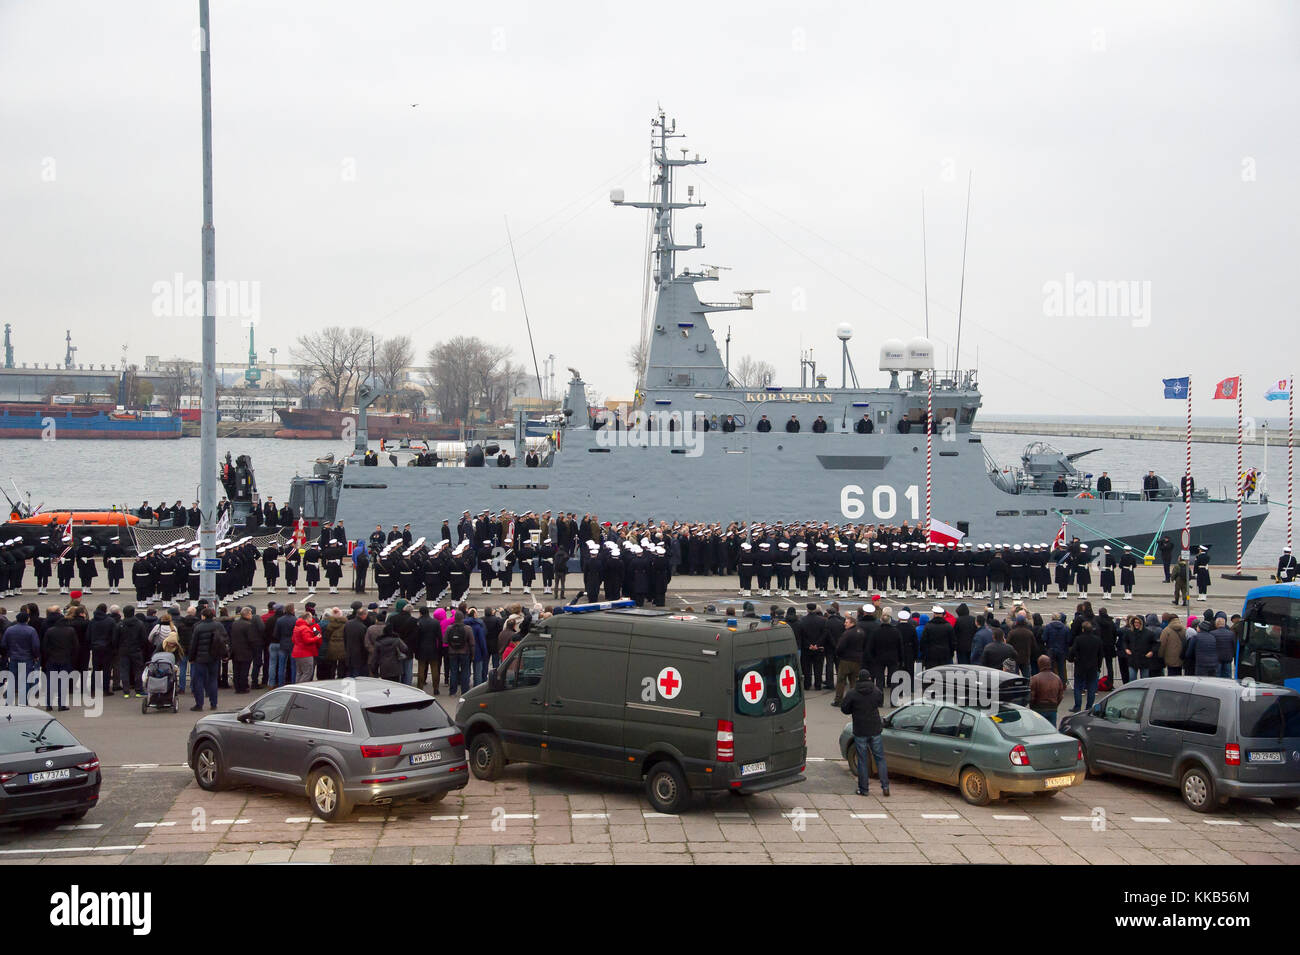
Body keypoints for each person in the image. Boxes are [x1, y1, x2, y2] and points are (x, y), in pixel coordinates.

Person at [840, 670, 889, 797]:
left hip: (860, 729)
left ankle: (864, 789)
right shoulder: (876, 691)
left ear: (858, 679)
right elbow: (880, 702)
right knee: (880, 758)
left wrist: (854, 709)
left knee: (862, 760)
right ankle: (885, 787)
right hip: (875, 729)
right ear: (869, 678)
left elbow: (844, 709)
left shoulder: (852, 693)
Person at [188, 606, 226, 711]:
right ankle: (213, 703)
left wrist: (191, 658)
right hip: (214, 657)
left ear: (203, 616)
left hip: (200, 658)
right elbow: (225, 640)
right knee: (213, 680)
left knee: (198, 681)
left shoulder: (198, 627)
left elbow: (194, 644)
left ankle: (199, 704)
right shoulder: (219, 626)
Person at [1067, 619, 1102, 712]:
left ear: (1083, 629)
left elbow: (1073, 651)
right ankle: (1089, 707)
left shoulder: (1078, 639)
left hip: (1080, 666)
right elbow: (1100, 654)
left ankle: (1077, 706)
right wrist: (1099, 666)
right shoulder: (1097, 640)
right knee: (1091, 688)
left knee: (1078, 687)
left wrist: (1071, 659)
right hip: (1093, 666)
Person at [832, 615, 864, 706]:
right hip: (857, 660)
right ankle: (854, 700)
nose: (844, 624)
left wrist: (838, 654)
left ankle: (838, 700)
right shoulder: (861, 632)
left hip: (846, 660)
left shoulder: (847, 633)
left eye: (846, 622)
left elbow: (840, 647)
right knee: (854, 681)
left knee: (841, 680)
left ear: (852, 623)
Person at [1029, 654, 1064, 728]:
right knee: (1052, 730)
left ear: (1039, 664)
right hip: (1052, 709)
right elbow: (1060, 696)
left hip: (1038, 709)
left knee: (1039, 730)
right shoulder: (1057, 678)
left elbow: (1031, 697)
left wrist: (1032, 707)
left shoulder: (1035, 679)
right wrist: (1055, 705)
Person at [444, 610, 474, 694]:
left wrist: (452, 643)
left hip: (452, 652)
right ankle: (465, 691)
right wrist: (473, 654)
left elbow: (445, 641)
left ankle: (452, 691)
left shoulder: (449, 628)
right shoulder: (467, 628)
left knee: (453, 672)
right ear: (463, 618)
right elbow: (472, 643)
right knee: (465, 672)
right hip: (464, 653)